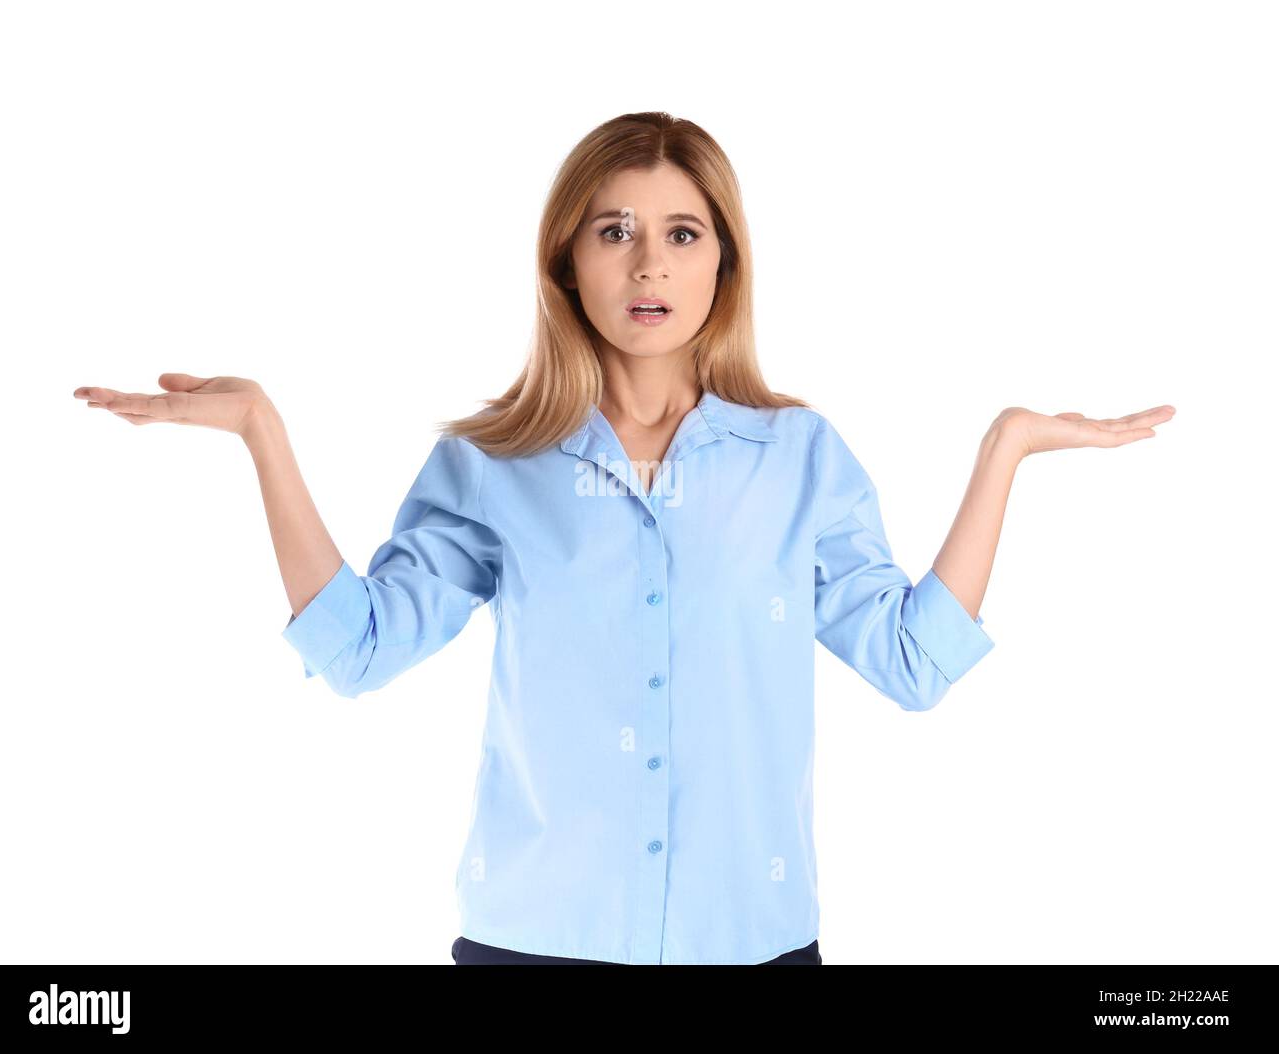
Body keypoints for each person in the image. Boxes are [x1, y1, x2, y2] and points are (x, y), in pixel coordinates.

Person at [72, 111, 1175, 966]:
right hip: (531, 943)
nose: (648, 264)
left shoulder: (800, 459)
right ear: (567, 262)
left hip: (752, 942)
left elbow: (912, 664)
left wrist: (1006, 449)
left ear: (721, 264)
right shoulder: (490, 465)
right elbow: (359, 650)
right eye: (615, 231)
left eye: (680, 233)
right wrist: (262, 431)